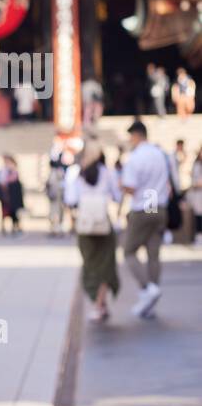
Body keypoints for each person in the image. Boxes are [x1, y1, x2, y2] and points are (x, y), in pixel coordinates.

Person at [118, 120, 176, 318]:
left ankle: (147, 288)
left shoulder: (136, 158)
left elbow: (131, 186)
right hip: (157, 204)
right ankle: (151, 295)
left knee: (129, 251)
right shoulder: (160, 154)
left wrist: (120, 185)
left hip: (143, 206)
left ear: (135, 135)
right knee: (153, 253)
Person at [64, 139, 121, 322]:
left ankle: (98, 303)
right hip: (103, 224)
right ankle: (100, 303)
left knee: (90, 265)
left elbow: (70, 199)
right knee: (105, 264)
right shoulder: (108, 173)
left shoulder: (75, 174)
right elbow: (117, 197)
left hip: (85, 226)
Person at [0, 155, 24, 235]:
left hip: (13, 195)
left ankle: (16, 227)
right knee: (4, 212)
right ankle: (4, 227)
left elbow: (11, 180)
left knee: (14, 212)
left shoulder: (13, 171)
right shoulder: (4, 170)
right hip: (5, 195)